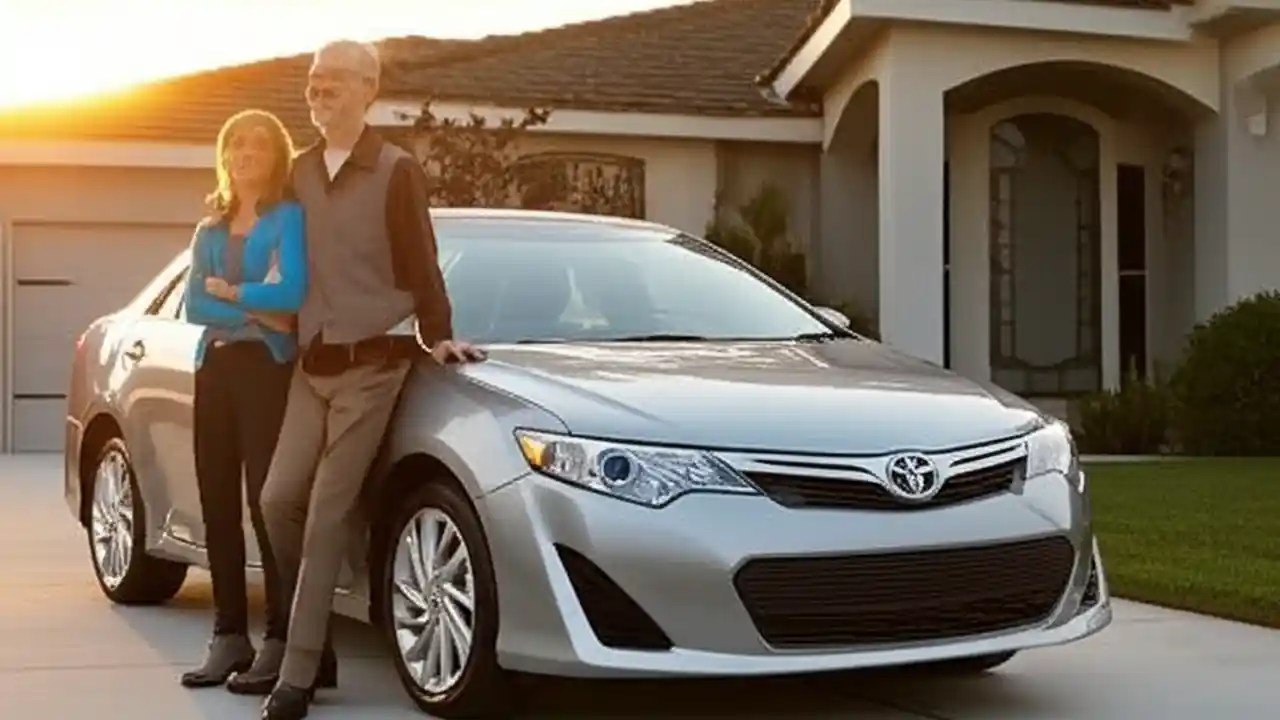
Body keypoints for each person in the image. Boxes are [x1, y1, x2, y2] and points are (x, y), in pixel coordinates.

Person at [255, 40, 485, 720]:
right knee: (276, 501)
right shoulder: (296, 171)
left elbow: (421, 258)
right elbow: (274, 254)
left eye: (331, 82)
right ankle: (313, 631)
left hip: (374, 365)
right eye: (312, 81)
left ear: (366, 89)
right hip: (312, 364)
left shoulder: (394, 170)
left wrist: (438, 334)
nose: (317, 91)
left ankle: (298, 674)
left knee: (328, 514)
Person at [178, 109, 308, 690]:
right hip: (215, 370)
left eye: (259, 144)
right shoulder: (209, 229)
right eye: (236, 144)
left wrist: (231, 293)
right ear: (225, 156)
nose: (247, 152)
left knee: (266, 503)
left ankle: (283, 639)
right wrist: (258, 308)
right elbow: (195, 307)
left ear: (278, 155)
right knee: (218, 504)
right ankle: (229, 636)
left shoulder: (288, 218)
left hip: (268, 372)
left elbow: (295, 292)